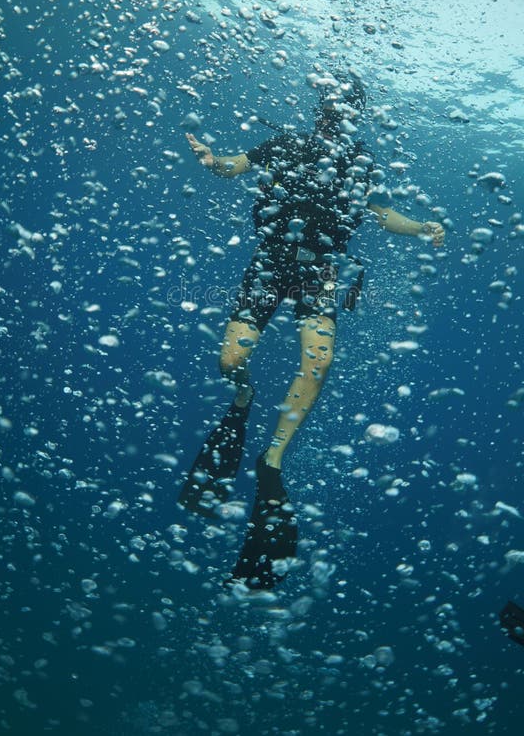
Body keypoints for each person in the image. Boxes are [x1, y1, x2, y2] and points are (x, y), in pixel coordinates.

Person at [178, 70, 445, 590]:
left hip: (320, 273)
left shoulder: (358, 165)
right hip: (271, 264)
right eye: (330, 109)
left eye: (345, 111)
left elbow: (379, 211)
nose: (335, 118)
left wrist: (421, 227)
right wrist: (214, 162)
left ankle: (272, 457)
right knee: (230, 362)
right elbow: (236, 165)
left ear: (352, 119)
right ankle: (244, 397)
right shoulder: (289, 143)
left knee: (319, 361)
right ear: (321, 112)